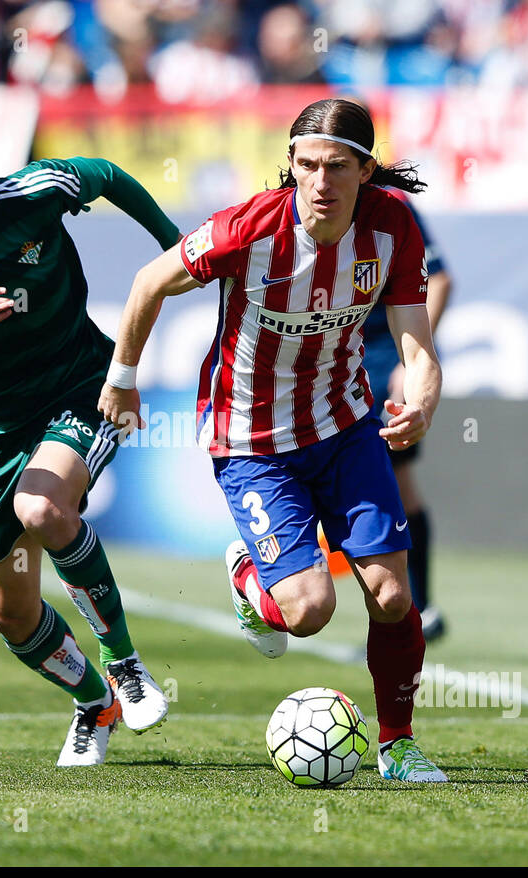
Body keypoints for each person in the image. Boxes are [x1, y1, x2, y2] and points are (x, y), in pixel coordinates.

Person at [99, 98, 448, 783]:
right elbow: (149, 282)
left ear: (365, 170)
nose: (319, 181)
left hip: (346, 428)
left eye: (337, 167)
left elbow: (418, 344)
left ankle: (398, 744)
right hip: (252, 439)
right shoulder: (250, 228)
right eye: (307, 165)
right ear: (291, 163)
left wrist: (424, 401)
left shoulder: (393, 227)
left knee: (394, 597)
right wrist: (122, 379)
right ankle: (247, 573)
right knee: (309, 613)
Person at [0, 109, 179, 766]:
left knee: (44, 506)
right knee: (9, 614)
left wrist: (172, 244)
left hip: (84, 388)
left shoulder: (36, 191)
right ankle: (93, 699)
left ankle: (124, 662)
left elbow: (104, 175)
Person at [359, 189, 452, 642]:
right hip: (330, 357)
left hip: (380, 353)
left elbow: (439, 279)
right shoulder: (306, 198)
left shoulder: (391, 205)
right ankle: (408, 610)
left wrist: (406, 356)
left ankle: (415, 609)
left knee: (393, 478)